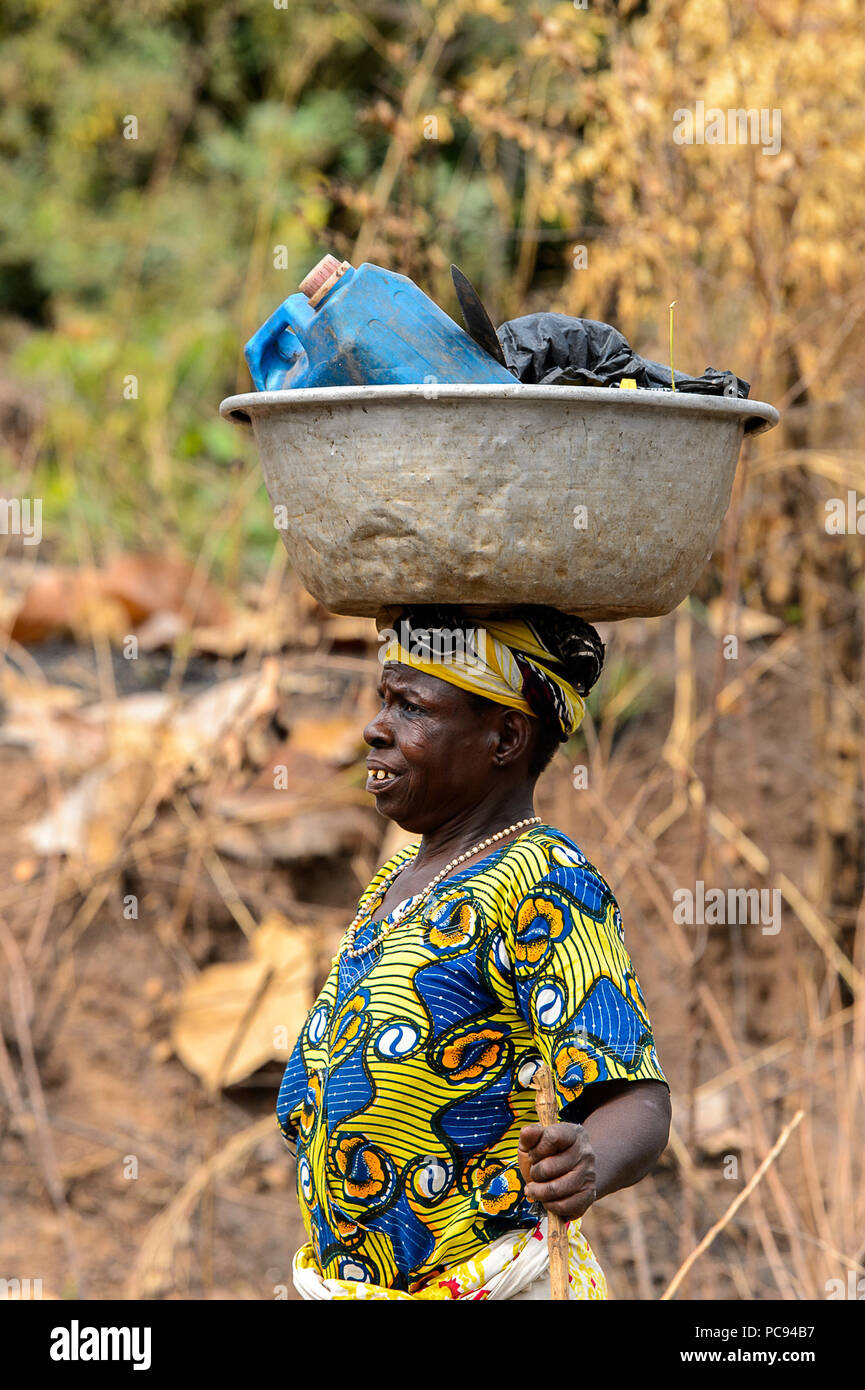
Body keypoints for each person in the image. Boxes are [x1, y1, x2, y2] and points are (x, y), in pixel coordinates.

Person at [277, 605, 671, 1300]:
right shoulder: (392, 886)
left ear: (505, 737)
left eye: (412, 707)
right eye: (383, 700)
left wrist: (585, 1162)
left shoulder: (542, 879)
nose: (376, 727)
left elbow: (637, 1101)